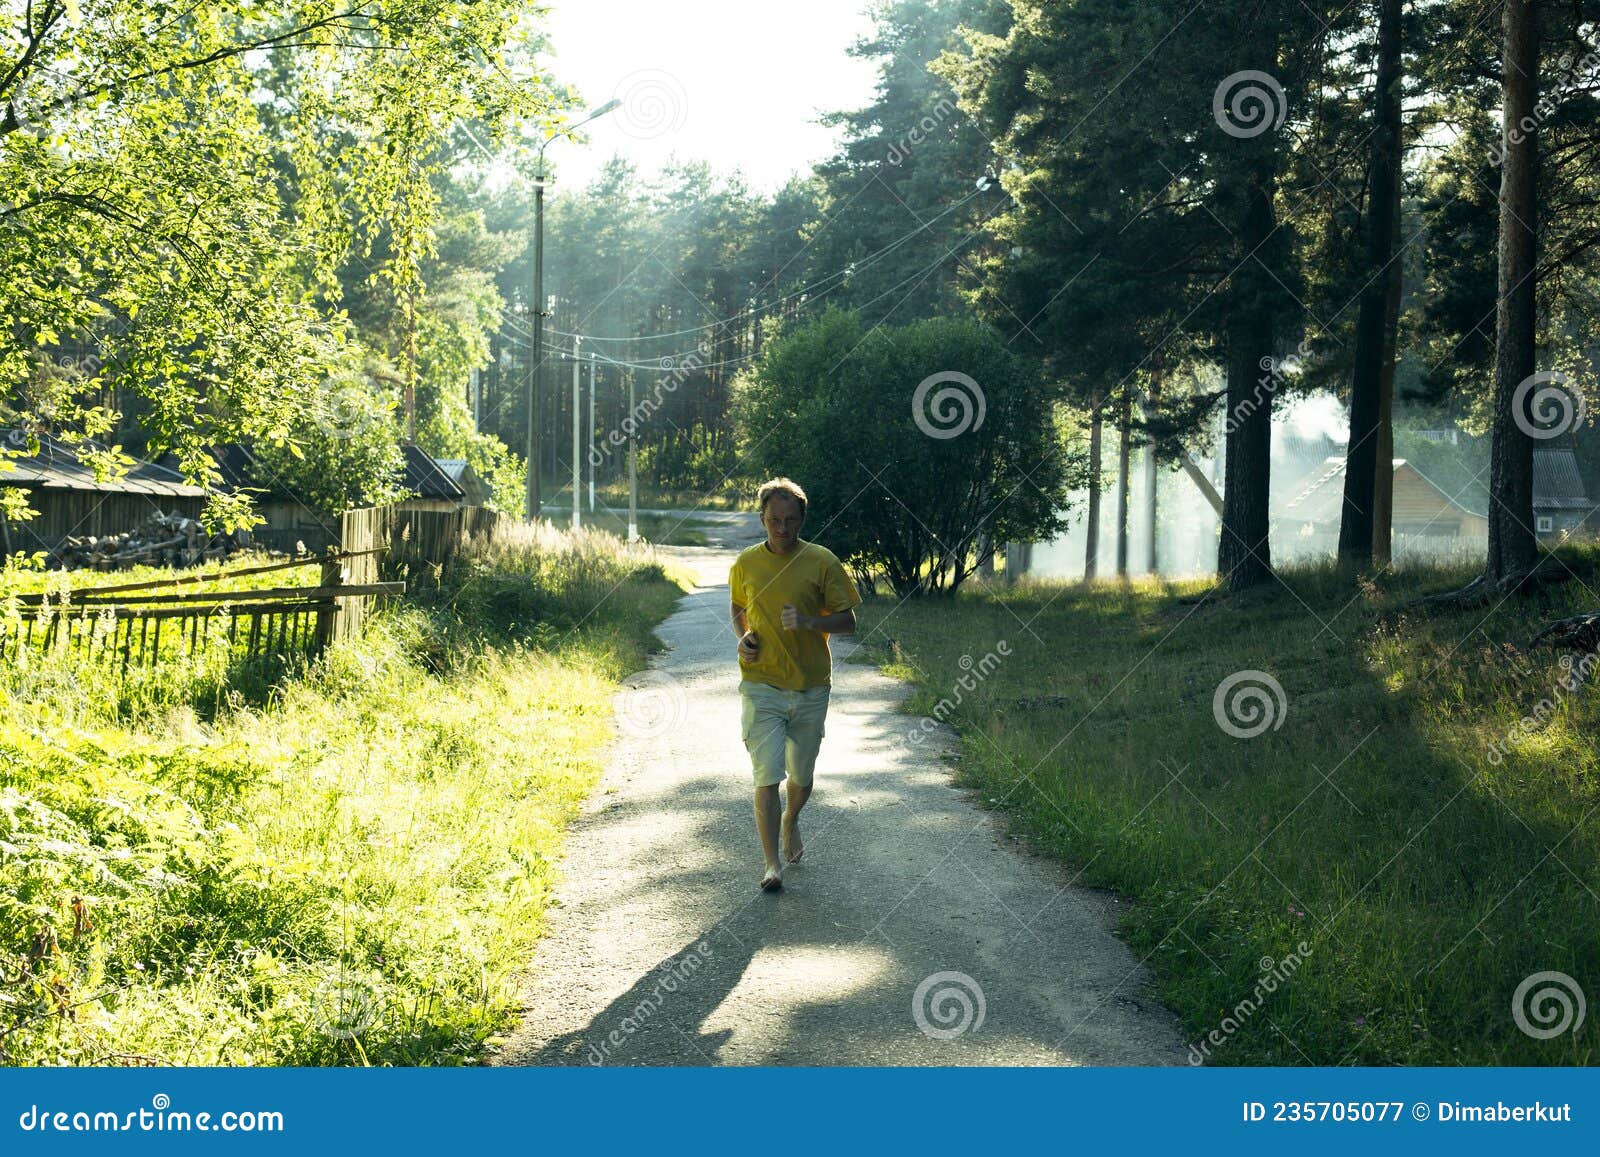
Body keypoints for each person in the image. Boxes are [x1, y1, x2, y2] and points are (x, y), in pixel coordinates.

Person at [728, 477, 862, 891]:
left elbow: (849, 621)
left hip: (809, 685)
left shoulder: (822, 561)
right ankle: (771, 865)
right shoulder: (746, 563)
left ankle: (791, 819)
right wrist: (744, 638)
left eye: (790, 520)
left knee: (800, 777)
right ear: (762, 519)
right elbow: (738, 607)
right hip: (760, 684)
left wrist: (808, 622)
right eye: (773, 520)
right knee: (765, 776)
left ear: (802, 518)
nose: (782, 529)